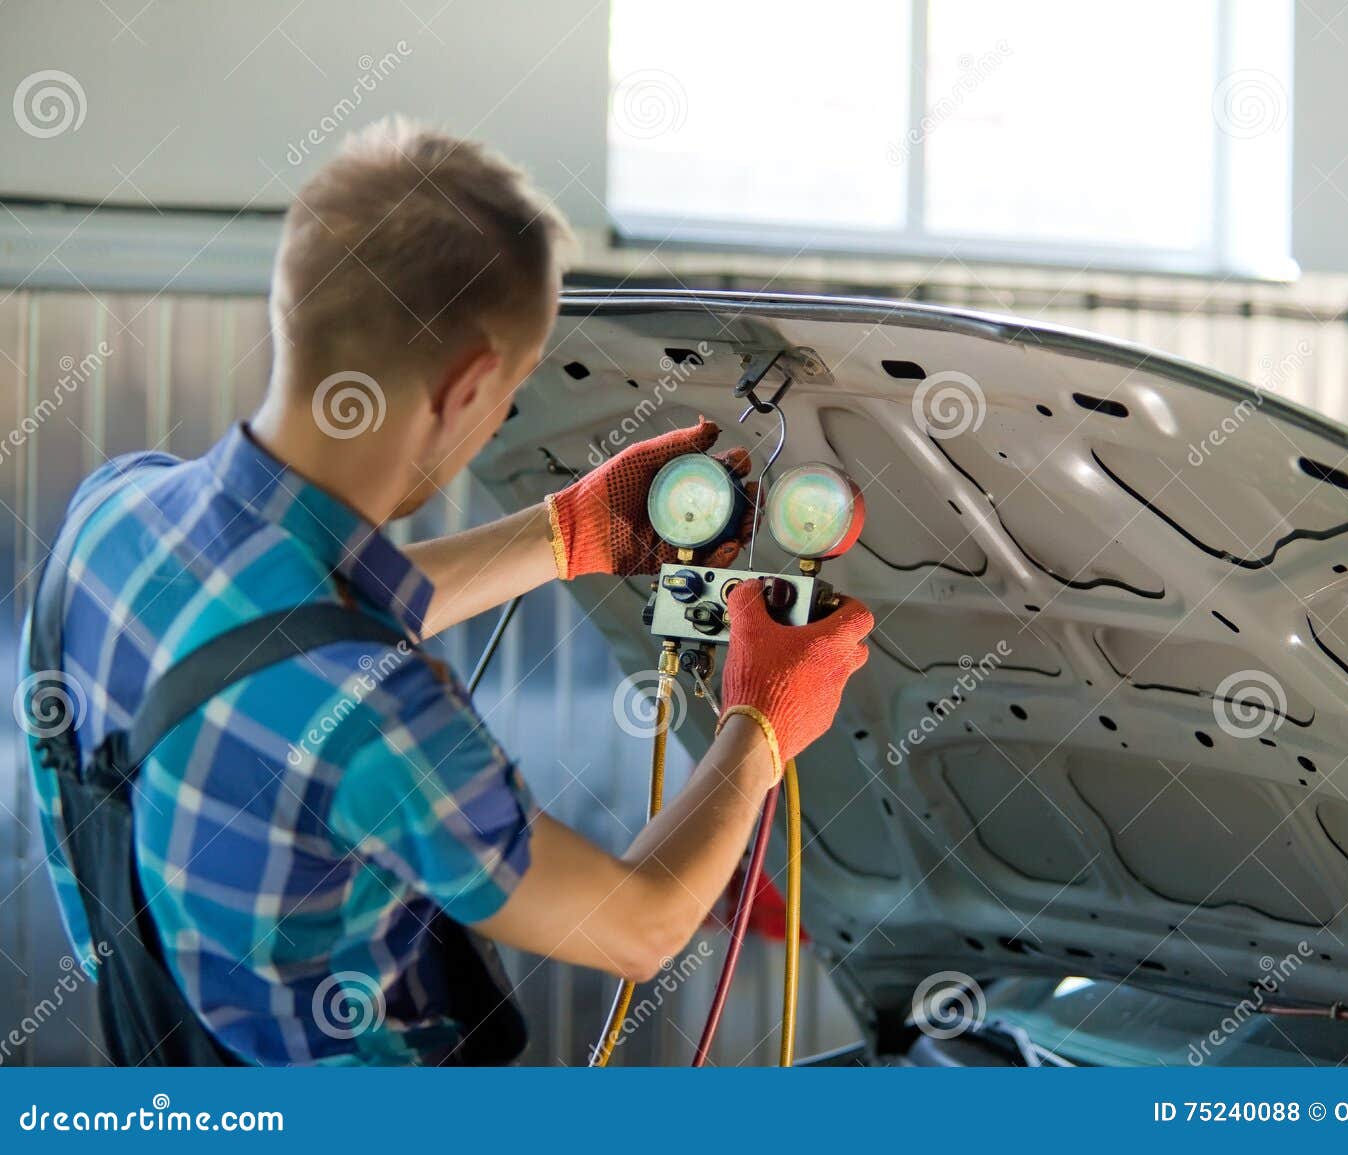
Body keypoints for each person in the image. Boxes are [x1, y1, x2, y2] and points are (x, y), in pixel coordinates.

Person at [19, 118, 874, 1065]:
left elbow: (278, 632)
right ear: (468, 388)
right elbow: (640, 926)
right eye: (507, 397)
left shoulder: (115, 512)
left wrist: (569, 533)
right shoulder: (379, 714)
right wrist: (759, 724)